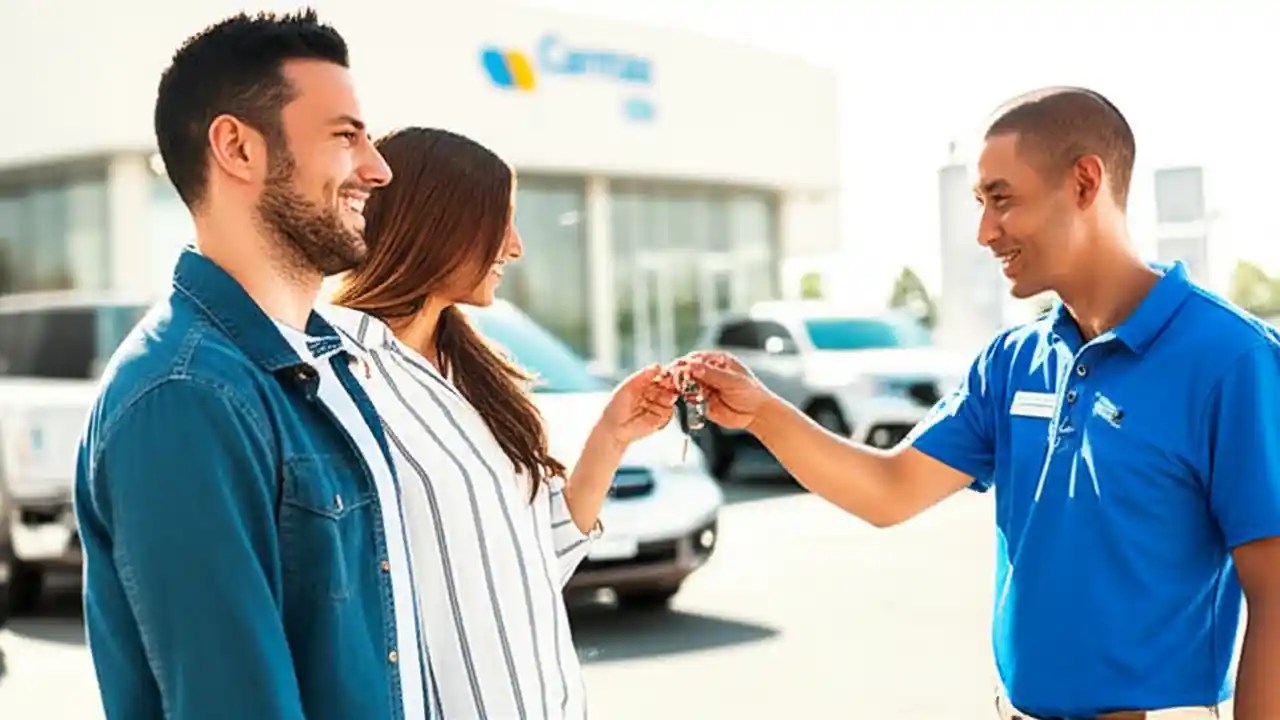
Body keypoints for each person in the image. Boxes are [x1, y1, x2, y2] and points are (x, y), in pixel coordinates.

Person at [681, 87, 1280, 719]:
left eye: (1002, 199)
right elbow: (890, 489)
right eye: (978, 203)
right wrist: (760, 412)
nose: (985, 231)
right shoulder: (1012, 360)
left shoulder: (1233, 358)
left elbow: (1273, 594)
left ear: (1084, 182)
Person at [73, 11, 435, 720]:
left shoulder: (324, 363)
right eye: (345, 136)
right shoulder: (183, 397)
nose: (378, 168)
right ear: (237, 147)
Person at [318, 126, 679, 720]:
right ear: (437, 224)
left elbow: (531, 561)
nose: (514, 247)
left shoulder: (474, 373)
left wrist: (611, 436)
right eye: (499, 222)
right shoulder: (338, 371)